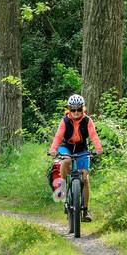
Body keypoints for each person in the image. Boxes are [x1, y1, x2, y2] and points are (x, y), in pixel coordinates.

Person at [48, 93, 102, 222]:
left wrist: (98, 148)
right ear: (69, 109)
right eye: (73, 109)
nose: (76, 112)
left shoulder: (88, 120)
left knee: (85, 178)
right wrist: (53, 149)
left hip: (82, 148)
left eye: (79, 109)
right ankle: (62, 185)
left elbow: (93, 135)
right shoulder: (65, 121)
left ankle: (85, 210)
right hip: (65, 146)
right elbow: (58, 136)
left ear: (83, 109)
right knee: (66, 160)